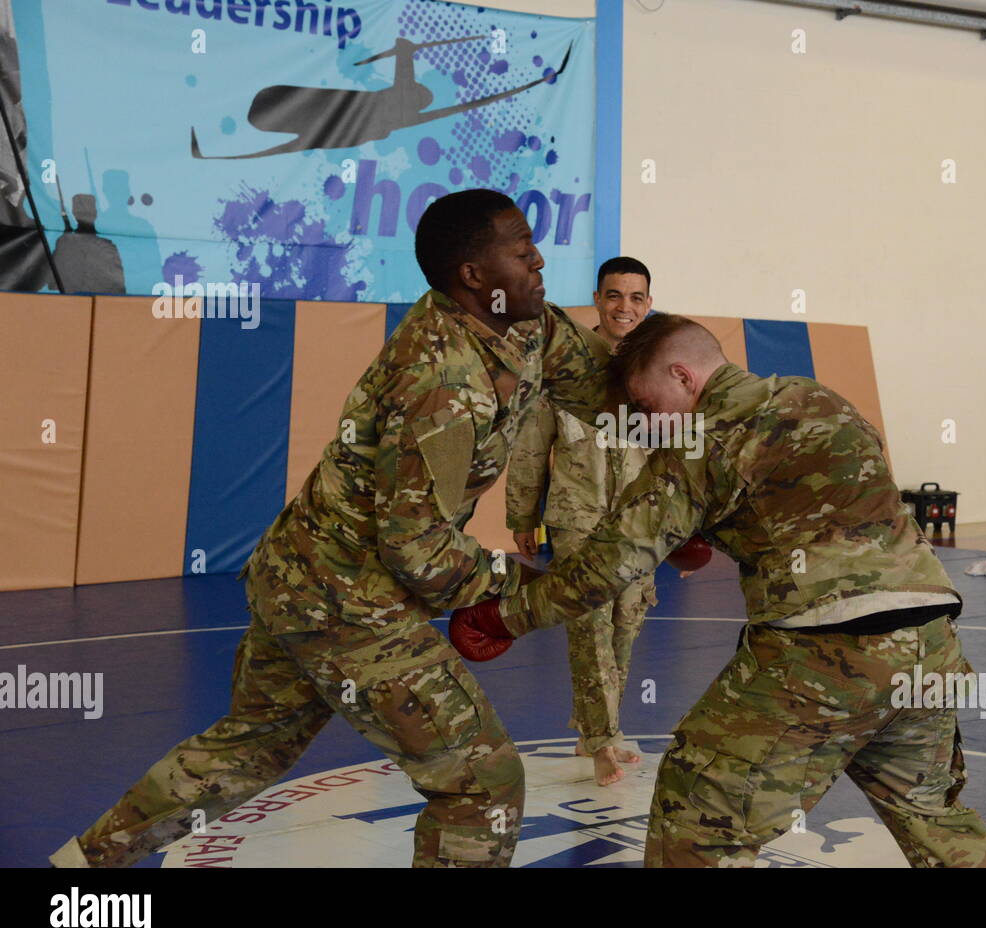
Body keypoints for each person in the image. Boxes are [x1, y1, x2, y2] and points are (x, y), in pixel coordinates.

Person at [49, 188, 613, 869]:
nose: (541, 260)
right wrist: (514, 583)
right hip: (349, 603)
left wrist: (690, 428)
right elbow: (416, 549)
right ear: (474, 275)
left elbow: (608, 385)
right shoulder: (443, 377)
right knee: (478, 781)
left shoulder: (526, 327)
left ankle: (81, 867)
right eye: (523, 252)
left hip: (301, 578)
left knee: (249, 747)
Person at [451, 314, 986, 868]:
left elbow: (606, 568)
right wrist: (719, 527)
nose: (645, 425)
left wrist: (504, 618)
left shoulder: (702, 442)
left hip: (828, 654)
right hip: (931, 642)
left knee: (697, 811)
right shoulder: (817, 396)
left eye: (647, 407)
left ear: (683, 377)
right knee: (933, 813)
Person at [506, 256, 656, 785]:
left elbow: (682, 451)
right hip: (577, 517)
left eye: (636, 297)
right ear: (597, 299)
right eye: (614, 295)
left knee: (626, 624)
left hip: (642, 521)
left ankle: (603, 726)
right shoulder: (564, 364)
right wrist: (523, 512)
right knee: (589, 624)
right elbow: (530, 442)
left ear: (649, 304)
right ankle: (601, 741)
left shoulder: (658, 367)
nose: (624, 307)